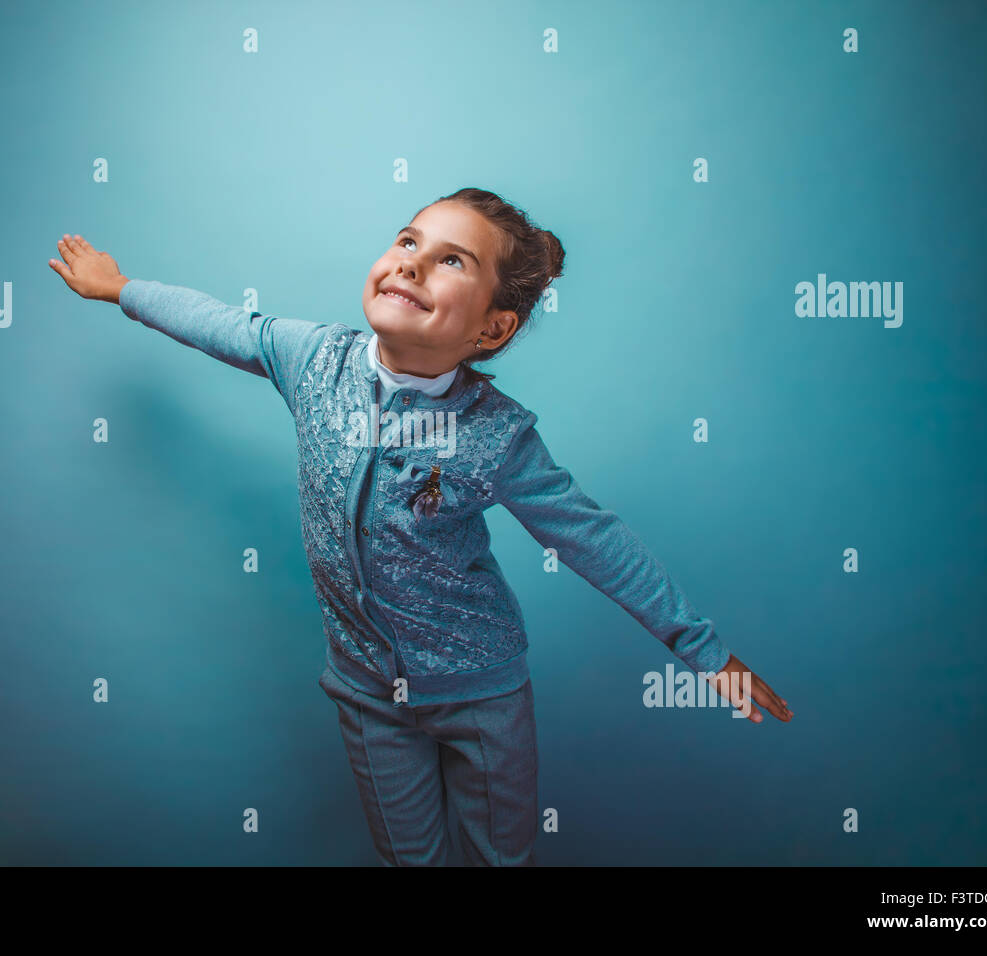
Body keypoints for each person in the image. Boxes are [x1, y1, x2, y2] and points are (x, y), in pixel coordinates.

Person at [48, 187, 793, 866]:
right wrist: (120, 289)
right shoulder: (314, 361)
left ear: (493, 325)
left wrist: (702, 648)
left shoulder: (497, 434)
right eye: (408, 242)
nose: (412, 265)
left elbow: (589, 537)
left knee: (501, 859)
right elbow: (219, 324)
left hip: (482, 693)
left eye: (450, 261)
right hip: (368, 693)